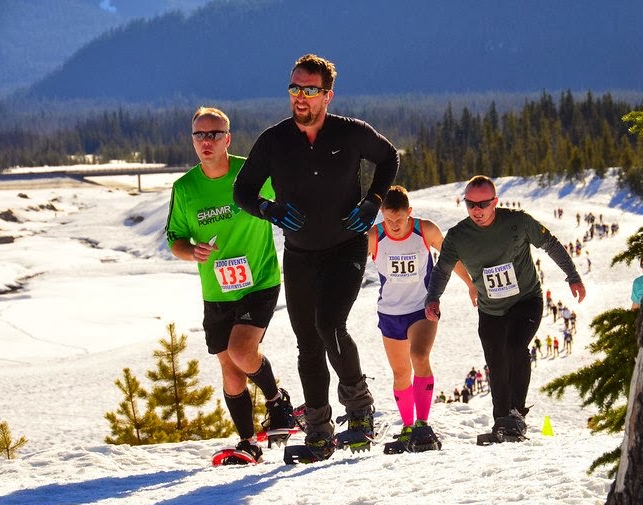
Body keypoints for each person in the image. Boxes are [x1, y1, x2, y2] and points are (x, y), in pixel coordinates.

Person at [233, 54, 400, 460]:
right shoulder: (274, 140)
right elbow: (244, 191)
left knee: (330, 325)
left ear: (328, 95)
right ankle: (319, 434)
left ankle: (360, 411)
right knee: (307, 343)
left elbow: (389, 157)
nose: (300, 97)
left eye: (309, 90)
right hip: (300, 254)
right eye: (294, 89)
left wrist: (373, 201)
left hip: (346, 247)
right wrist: (268, 209)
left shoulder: (350, 133)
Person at [165, 107, 295, 464]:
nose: (207, 142)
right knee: (229, 367)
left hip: (260, 280)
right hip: (216, 290)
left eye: (214, 134)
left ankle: (276, 400)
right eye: (200, 135)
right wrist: (191, 251)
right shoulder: (185, 188)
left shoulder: (251, 173)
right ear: (192, 140)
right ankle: (248, 442)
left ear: (228, 138)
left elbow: (290, 192)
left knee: (241, 351)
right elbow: (174, 237)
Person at [425, 175, 585, 441]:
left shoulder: (518, 222)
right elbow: (442, 269)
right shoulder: (458, 236)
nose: (476, 210)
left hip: (526, 301)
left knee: (514, 347)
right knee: (495, 362)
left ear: (495, 202)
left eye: (483, 204)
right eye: (470, 204)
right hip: (490, 310)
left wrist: (573, 276)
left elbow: (551, 245)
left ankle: (516, 413)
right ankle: (501, 420)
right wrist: (433, 297)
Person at [368, 185, 474, 452]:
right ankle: (407, 427)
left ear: (409, 213)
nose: (393, 225)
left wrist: (470, 284)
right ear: (382, 214)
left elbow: (450, 256)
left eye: (399, 219)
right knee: (401, 372)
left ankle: (423, 424)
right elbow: (349, 268)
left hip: (421, 308)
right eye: (388, 219)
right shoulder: (374, 236)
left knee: (419, 357)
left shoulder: (424, 230)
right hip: (390, 312)